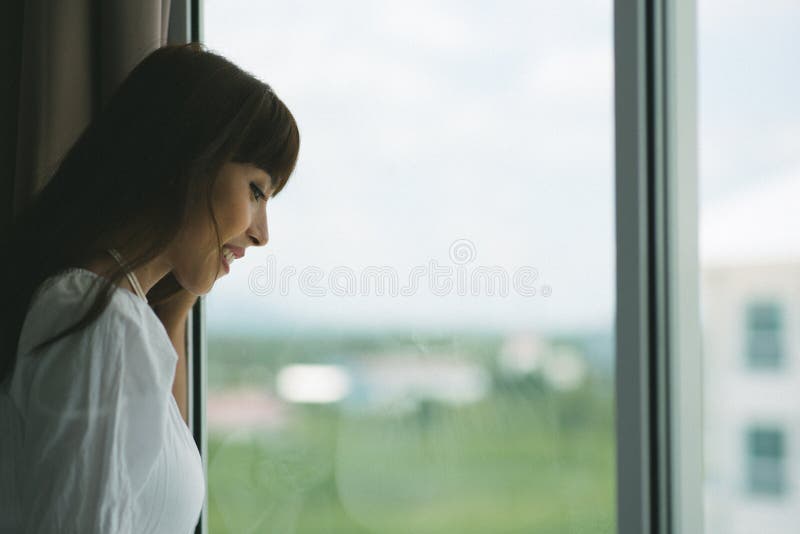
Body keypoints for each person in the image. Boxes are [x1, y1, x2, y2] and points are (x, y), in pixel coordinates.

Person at [0, 42, 300, 533]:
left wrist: (179, 299)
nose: (261, 233)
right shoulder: (97, 320)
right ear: (189, 160)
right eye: (256, 191)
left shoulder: (114, 315)